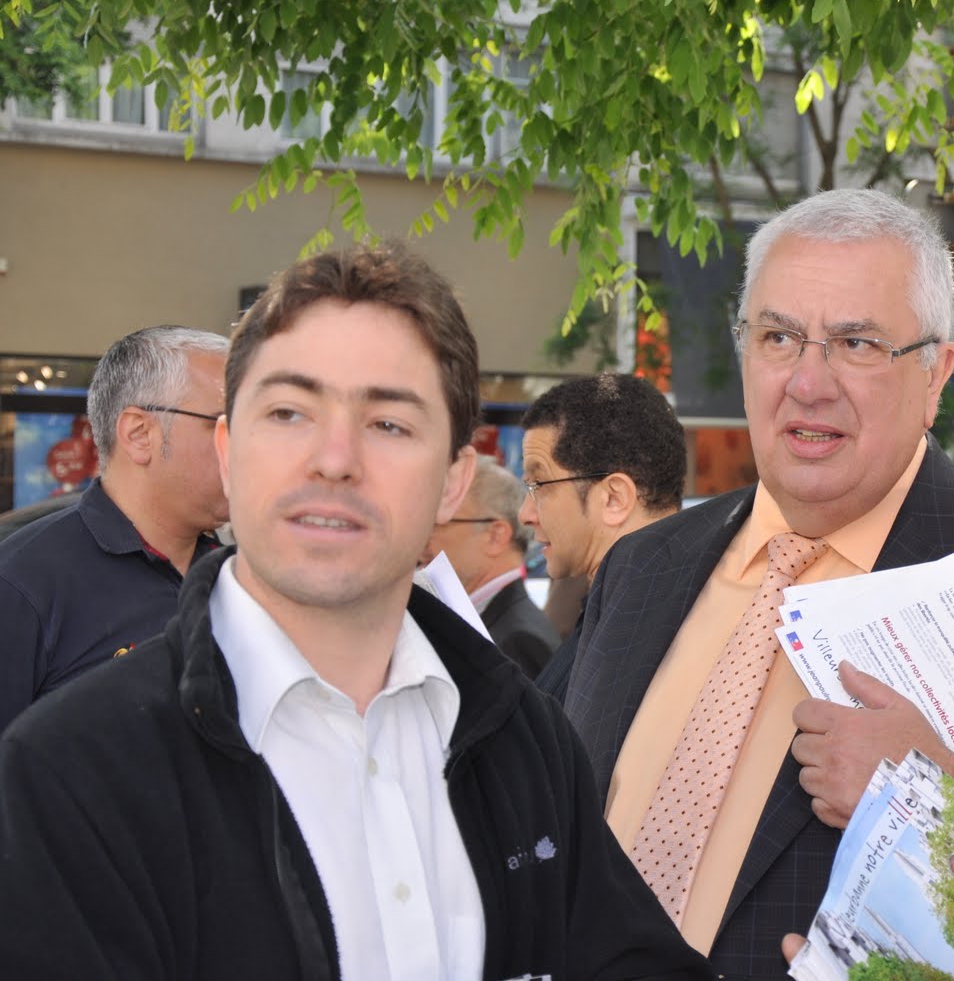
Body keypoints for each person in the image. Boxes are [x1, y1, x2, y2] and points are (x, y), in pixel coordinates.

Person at [0, 244, 712, 981]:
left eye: (389, 424)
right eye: (288, 411)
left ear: (451, 481)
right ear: (229, 449)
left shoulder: (523, 741)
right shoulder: (71, 770)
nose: (334, 458)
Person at [559, 188, 954, 977]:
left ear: (937, 372)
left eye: (857, 343)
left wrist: (940, 799)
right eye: (778, 336)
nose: (808, 382)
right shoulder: (641, 567)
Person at [0, 324, 230, 731]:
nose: (250, 447)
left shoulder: (245, 574)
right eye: (224, 424)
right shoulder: (22, 584)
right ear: (140, 434)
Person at [518, 372, 687, 699]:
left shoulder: (651, 637)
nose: (525, 514)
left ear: (614, 498)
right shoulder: (616, 613)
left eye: (538, 485)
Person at [421, 456, 560, 677]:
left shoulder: (519, 641)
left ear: (496, 536)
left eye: (435, 524)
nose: (422, 539)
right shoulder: (494, 624)